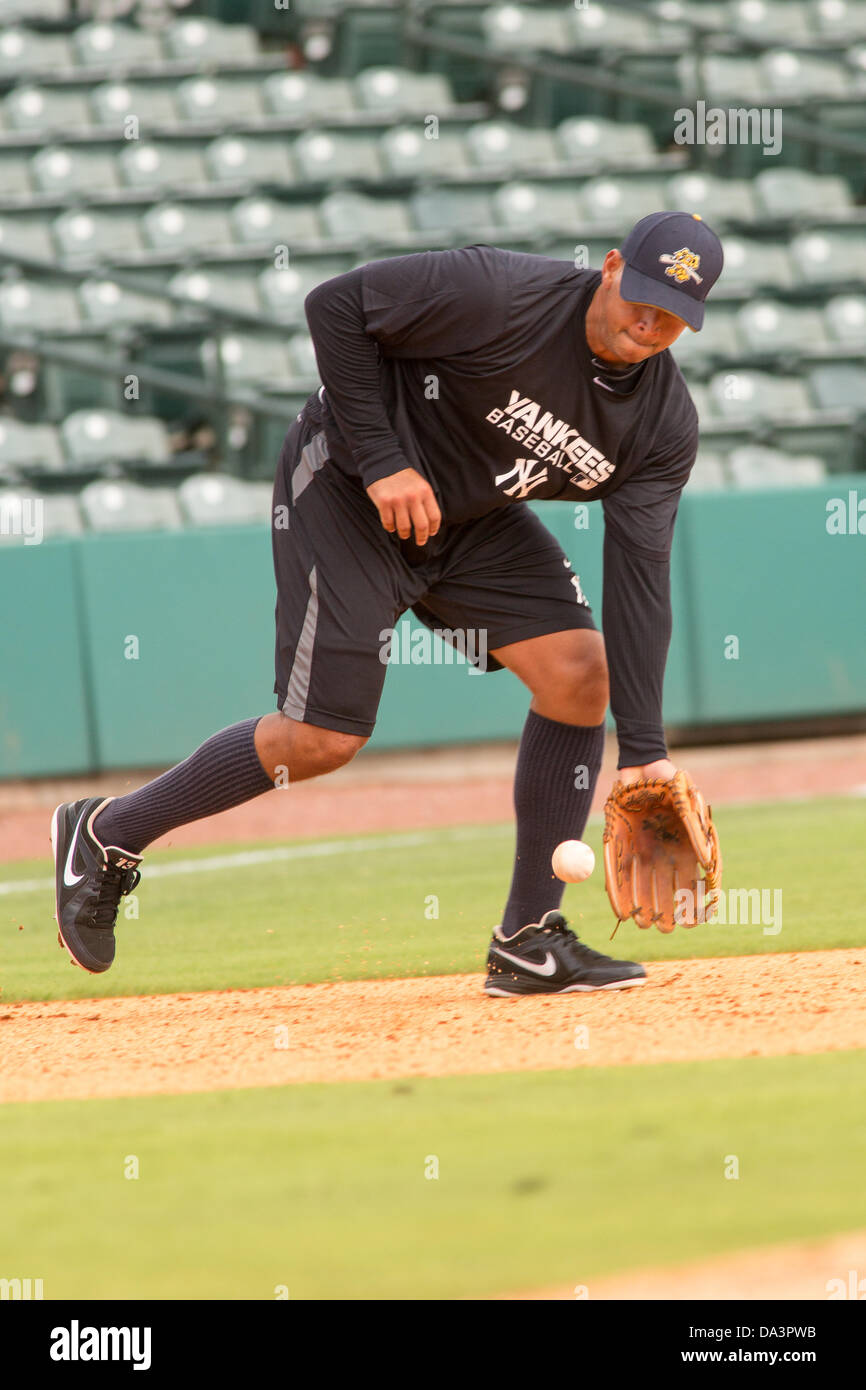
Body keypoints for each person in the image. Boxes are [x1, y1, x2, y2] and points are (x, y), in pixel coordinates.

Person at [50, 210, 723, 996]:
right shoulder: (501, 294)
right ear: (610, 266)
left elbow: (640, 577)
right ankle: (106, 833)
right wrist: (383, 460)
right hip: (348, 486)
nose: (649, 320)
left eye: (673, 313)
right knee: (324, 739)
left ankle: (528, 940)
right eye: (641, 294)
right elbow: (335, 306)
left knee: (580, 675)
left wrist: (643, 750)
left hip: (471, 520)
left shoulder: (662, 426)